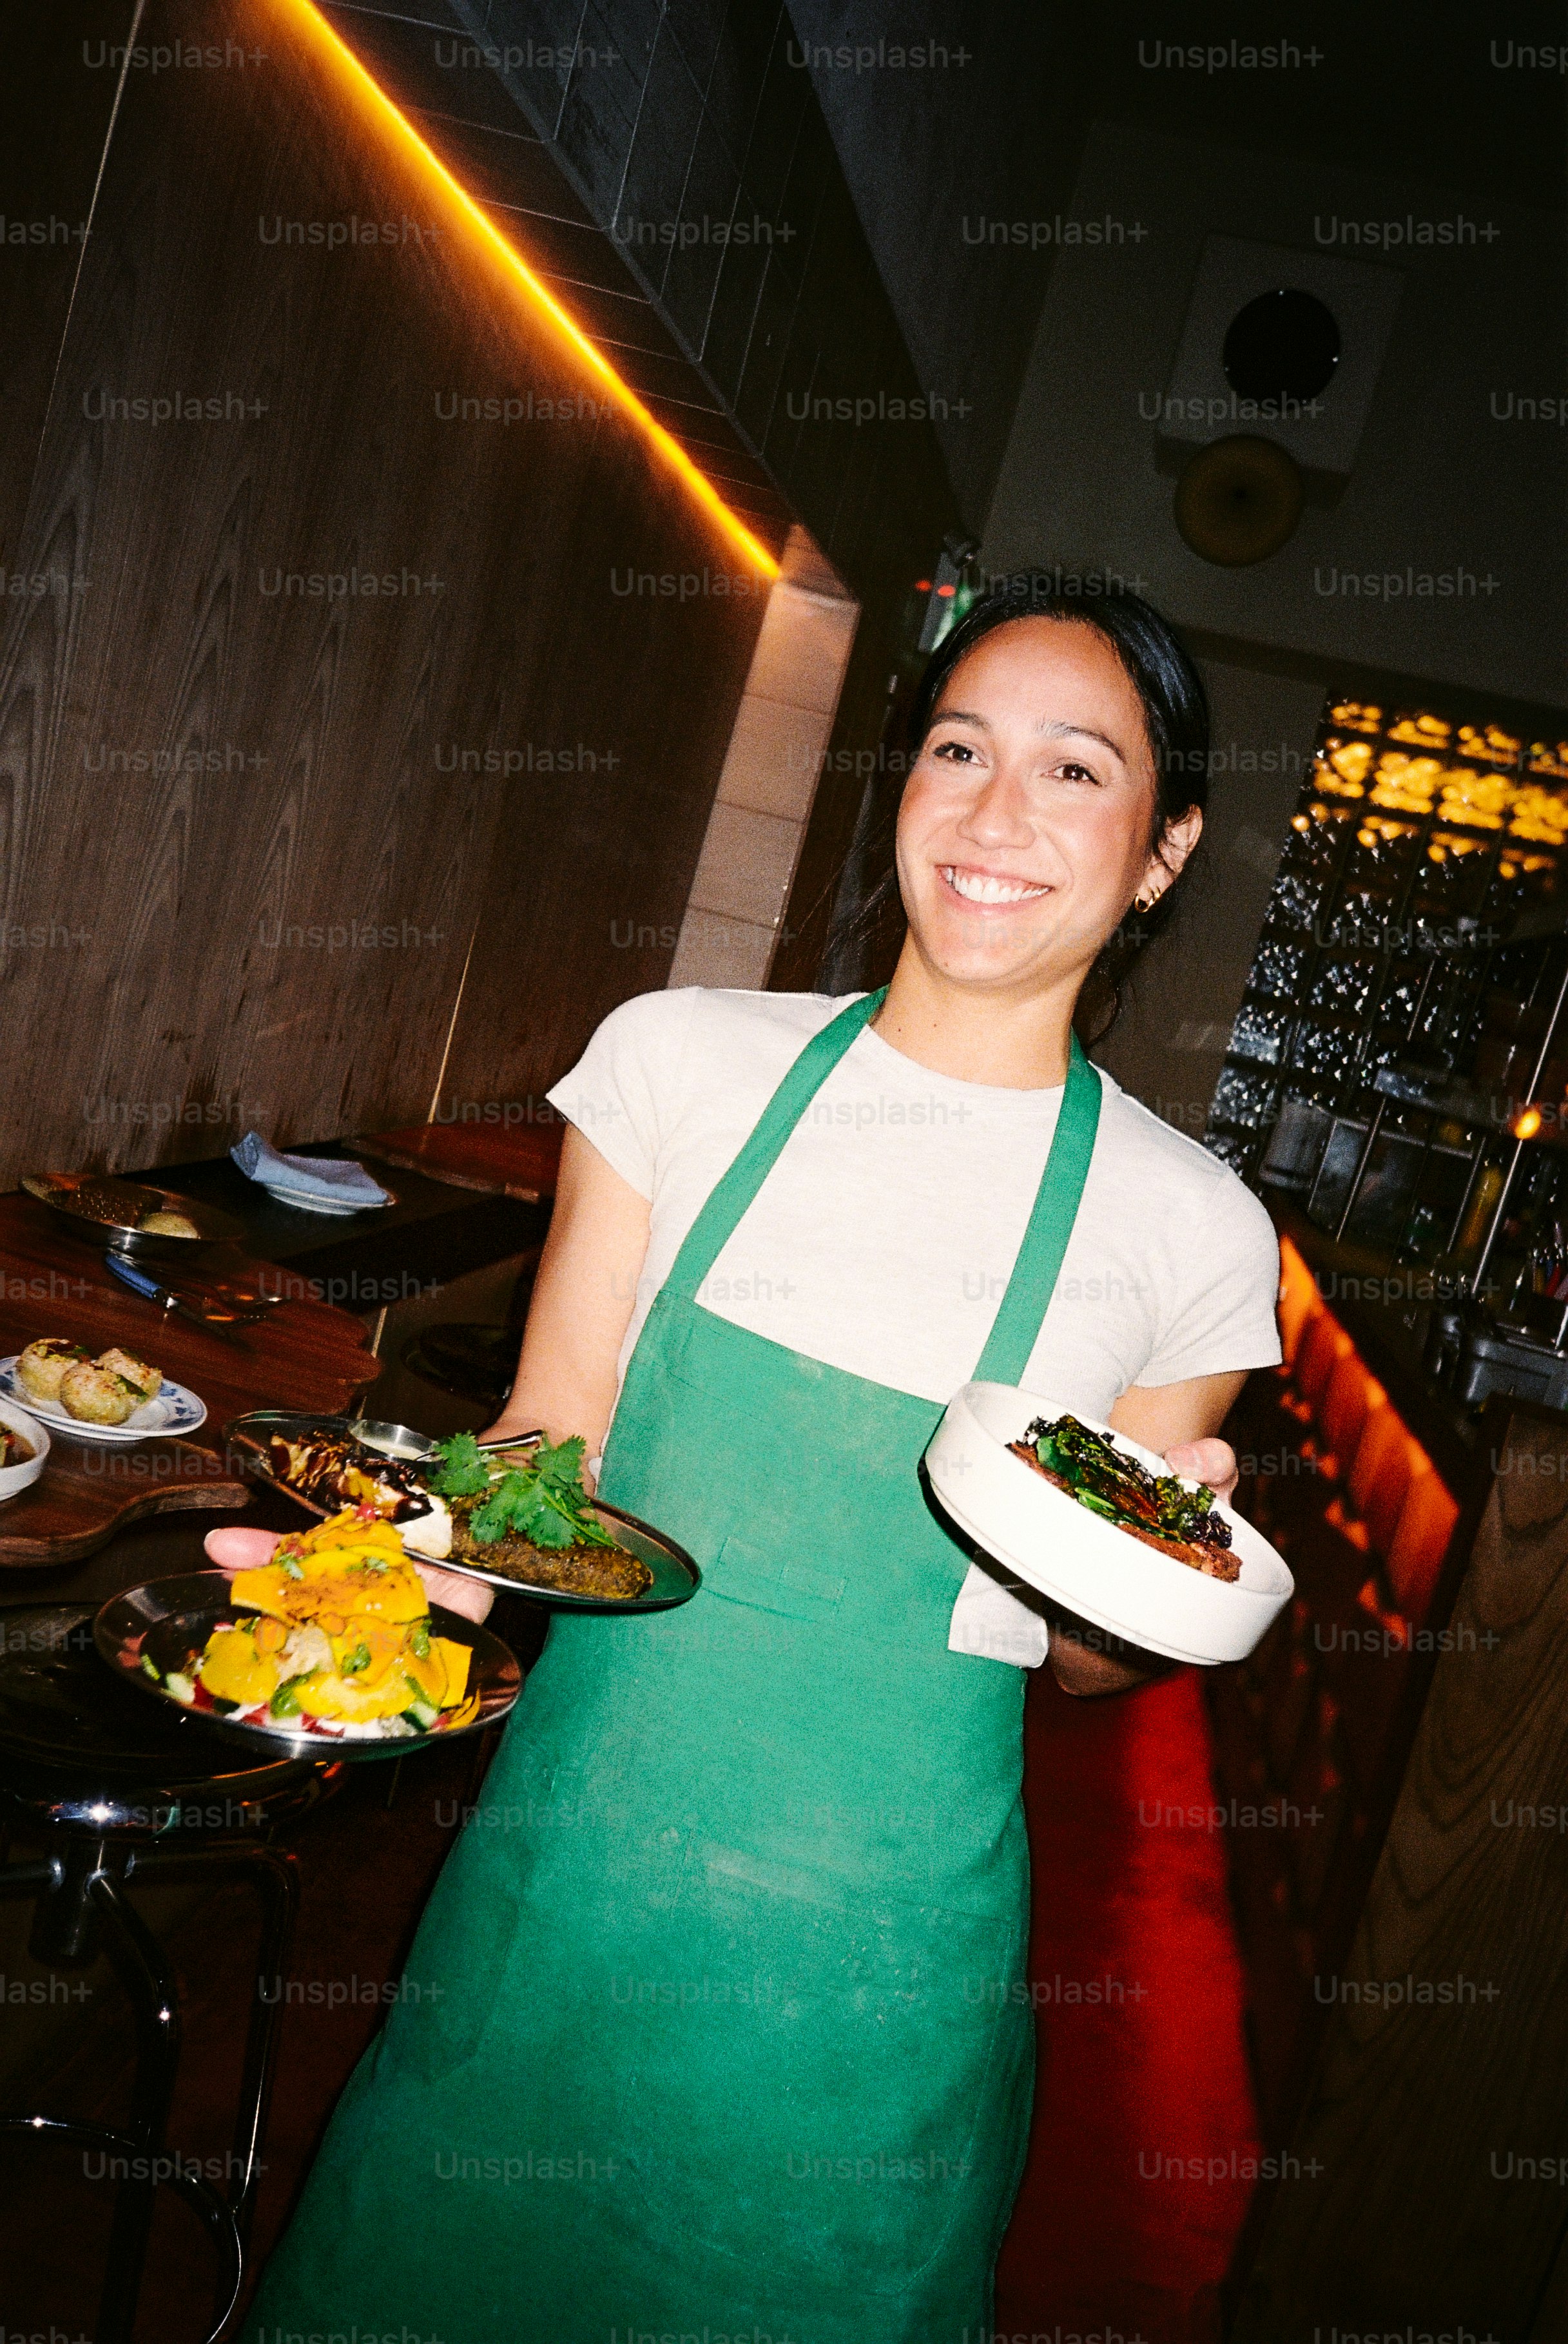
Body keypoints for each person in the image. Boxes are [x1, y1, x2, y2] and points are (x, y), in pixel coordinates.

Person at [235, 577, 1281, 2341]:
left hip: (865, 2021)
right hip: (552, 1925)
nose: (993, 814)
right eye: (956, 747)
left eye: (1073, 772)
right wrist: (369, 1580)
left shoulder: (1191, 1234)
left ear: (1162, 850)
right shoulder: (679, 1063)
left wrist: (1146, 1576)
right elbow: (539, 1465)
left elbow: (1088, 1673)